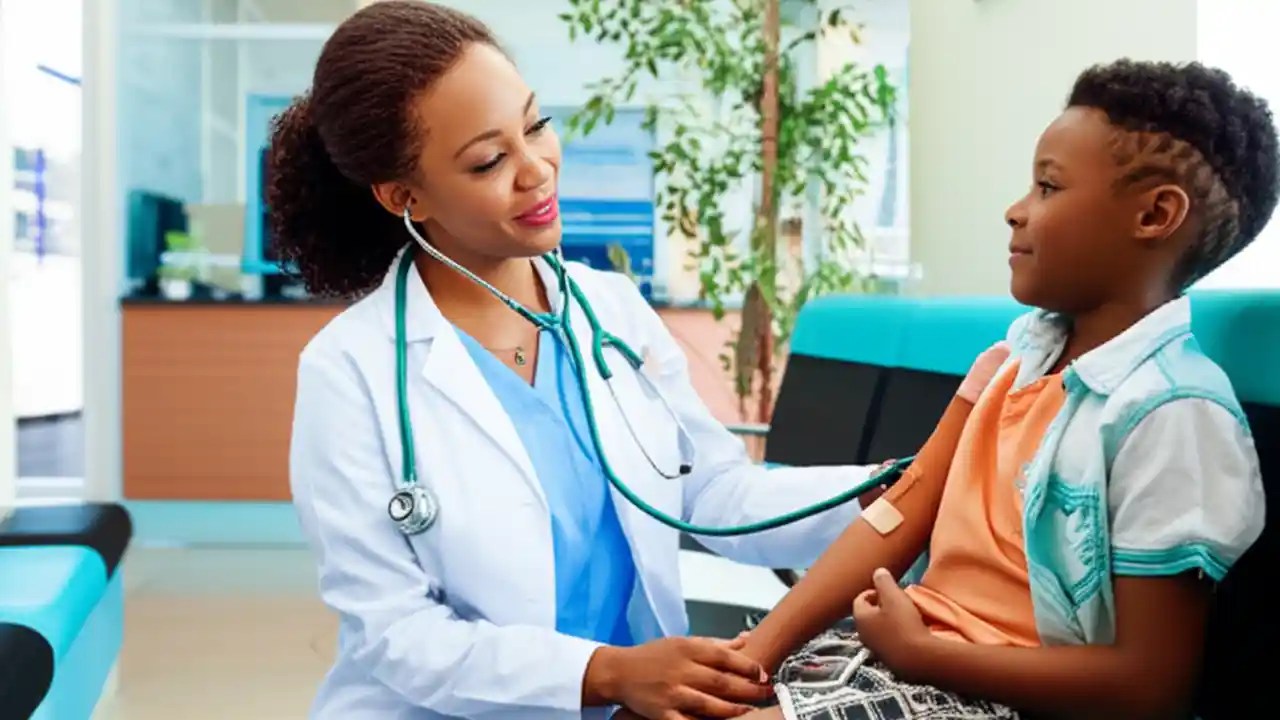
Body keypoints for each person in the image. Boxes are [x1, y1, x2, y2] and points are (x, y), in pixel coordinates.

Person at [272, 3, 993, 719]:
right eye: (490, 160)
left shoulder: (608, 310)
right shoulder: (352, 371)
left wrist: (892, 489)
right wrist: (605, 672)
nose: (537, 170)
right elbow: (396, 634)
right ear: (406, 196)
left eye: (536, 125)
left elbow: (709, 495)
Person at [722, 59, 1278, 720]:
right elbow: (899, 513)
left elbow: (1150, 687)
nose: (1016, 211)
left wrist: (923, 655)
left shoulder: (1172, 418)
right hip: (902, 656)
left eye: (1047, 187)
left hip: (998, 696)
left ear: (1155, 214)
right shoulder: (1016, 358)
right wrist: (753, 654)